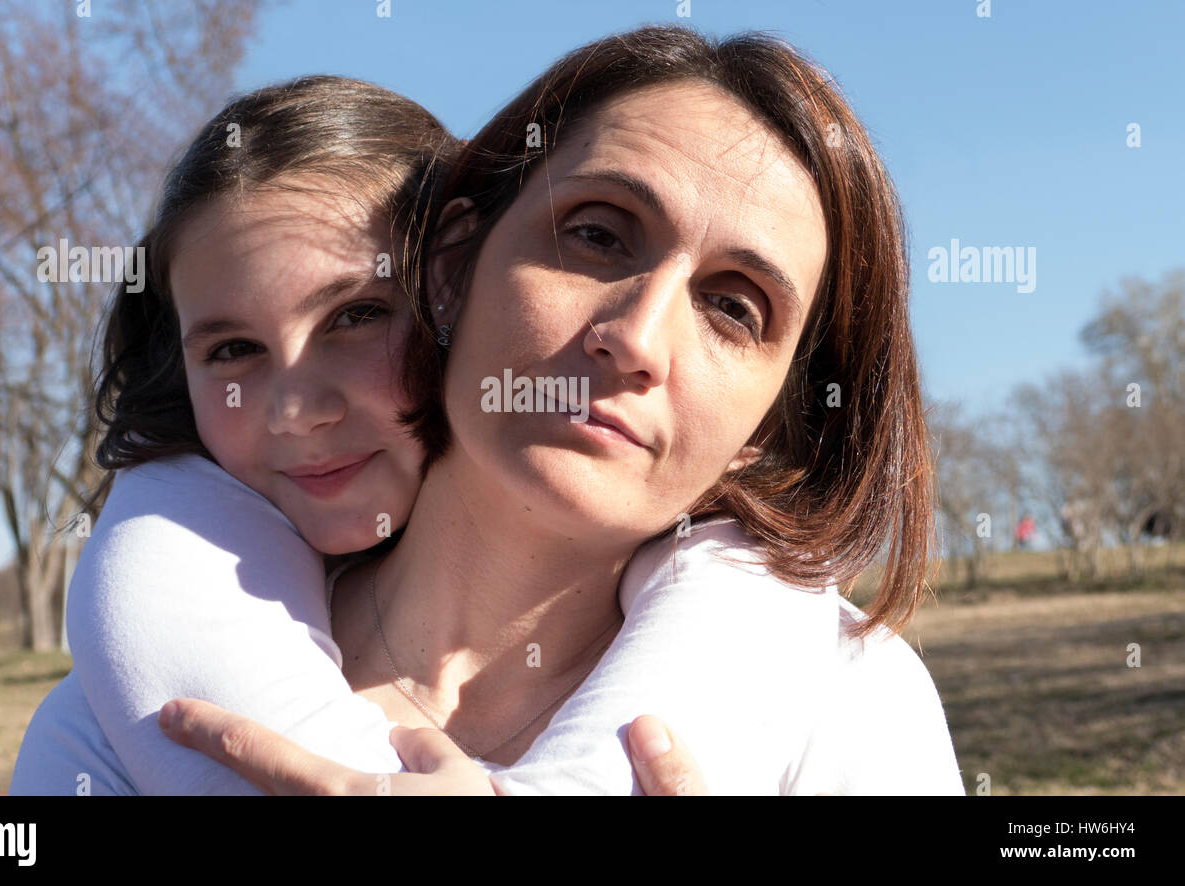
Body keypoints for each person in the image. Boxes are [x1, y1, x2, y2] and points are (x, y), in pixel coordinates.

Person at [157, 26, 963, 795]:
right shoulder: (164, 694)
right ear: (450, 267)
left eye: (733, 308)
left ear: (775, 423)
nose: (639, 337)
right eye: (598, 235)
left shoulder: (854, 707)